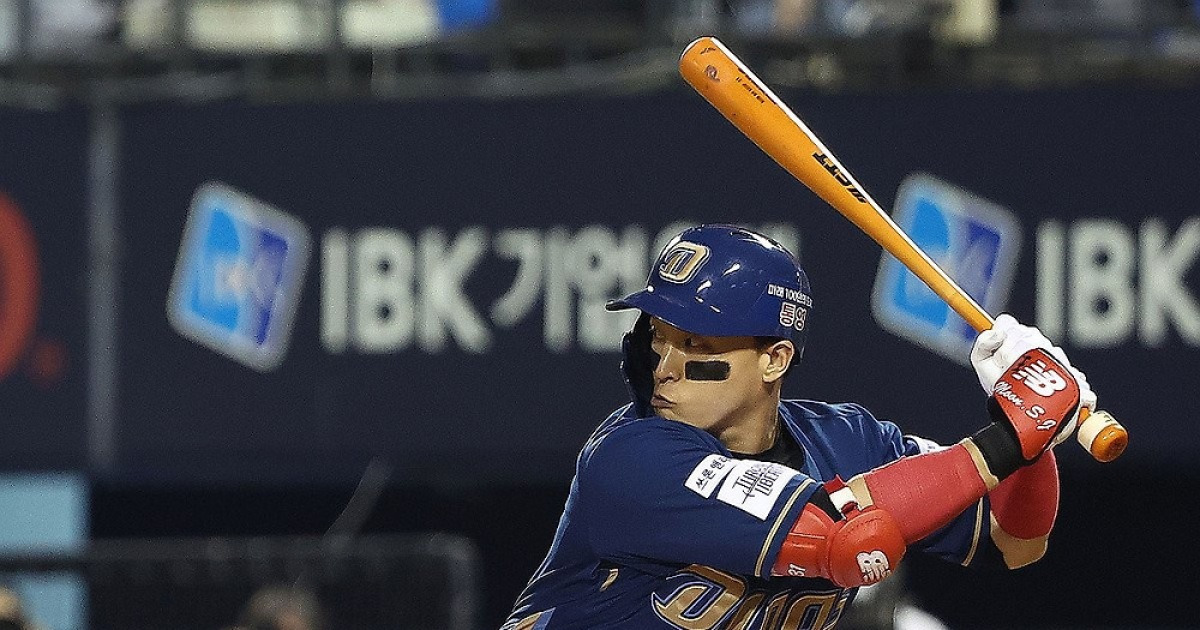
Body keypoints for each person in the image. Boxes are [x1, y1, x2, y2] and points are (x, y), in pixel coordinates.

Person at [503, 224, 1094, 629]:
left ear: (775, 360)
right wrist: (1006, 439)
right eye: (657, 338)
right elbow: (843, 539)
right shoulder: (631, 458)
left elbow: (1014, 541)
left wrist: (1033, 433)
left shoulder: (849, 441)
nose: (664, 366)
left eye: (696, 344)